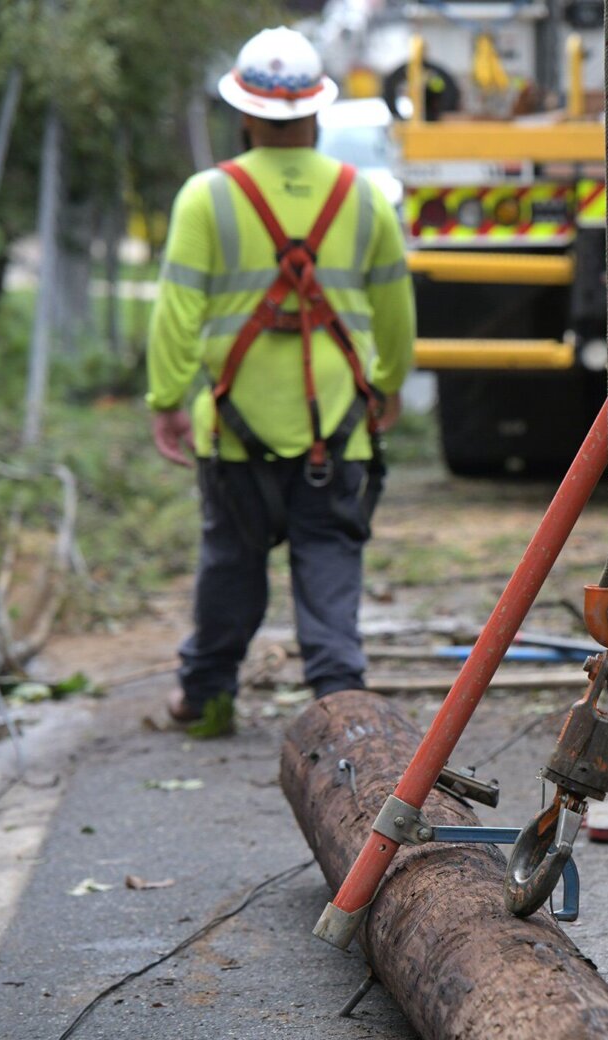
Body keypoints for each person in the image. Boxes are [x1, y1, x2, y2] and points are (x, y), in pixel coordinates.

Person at [146, 27, 414, 726]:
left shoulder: (206, 197)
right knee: (329, 564)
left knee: (230, 563)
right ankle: (342, 710)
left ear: (244, 113)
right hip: (339, 427)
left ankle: (206, 695)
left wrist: (167, 399)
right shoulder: (363, 198)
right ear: (317, 109)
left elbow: (177, 312)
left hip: (234, 432)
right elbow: (396, 311)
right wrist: (387, 384)